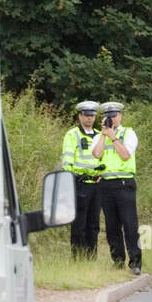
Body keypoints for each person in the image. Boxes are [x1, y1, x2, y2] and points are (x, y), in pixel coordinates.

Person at [91, 101, 142, 275]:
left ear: (120, 116)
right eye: (108, 116)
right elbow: (97, 154)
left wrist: (113, 137)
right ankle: (118, 261)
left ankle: (135, 261)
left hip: (124, 183)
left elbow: (126, 155)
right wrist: (105, 135)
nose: (111, 119)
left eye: (114, 116)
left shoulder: (129, 133)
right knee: (112, 227)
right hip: (105, 184)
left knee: (129, 224)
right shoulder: (99, 136)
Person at [59, 100, 103, 257]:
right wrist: (71, 179)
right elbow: (67, 160)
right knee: (79, 224)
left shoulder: (100, 136)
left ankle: (91, 257)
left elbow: (104, 159)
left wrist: (102, 175)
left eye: (92, 115)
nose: (89, 118)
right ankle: (77, 258)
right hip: (80, 183)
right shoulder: (72, 134)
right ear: (80, 116)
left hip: (97, 184)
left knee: (94, 225)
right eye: (86, 115)